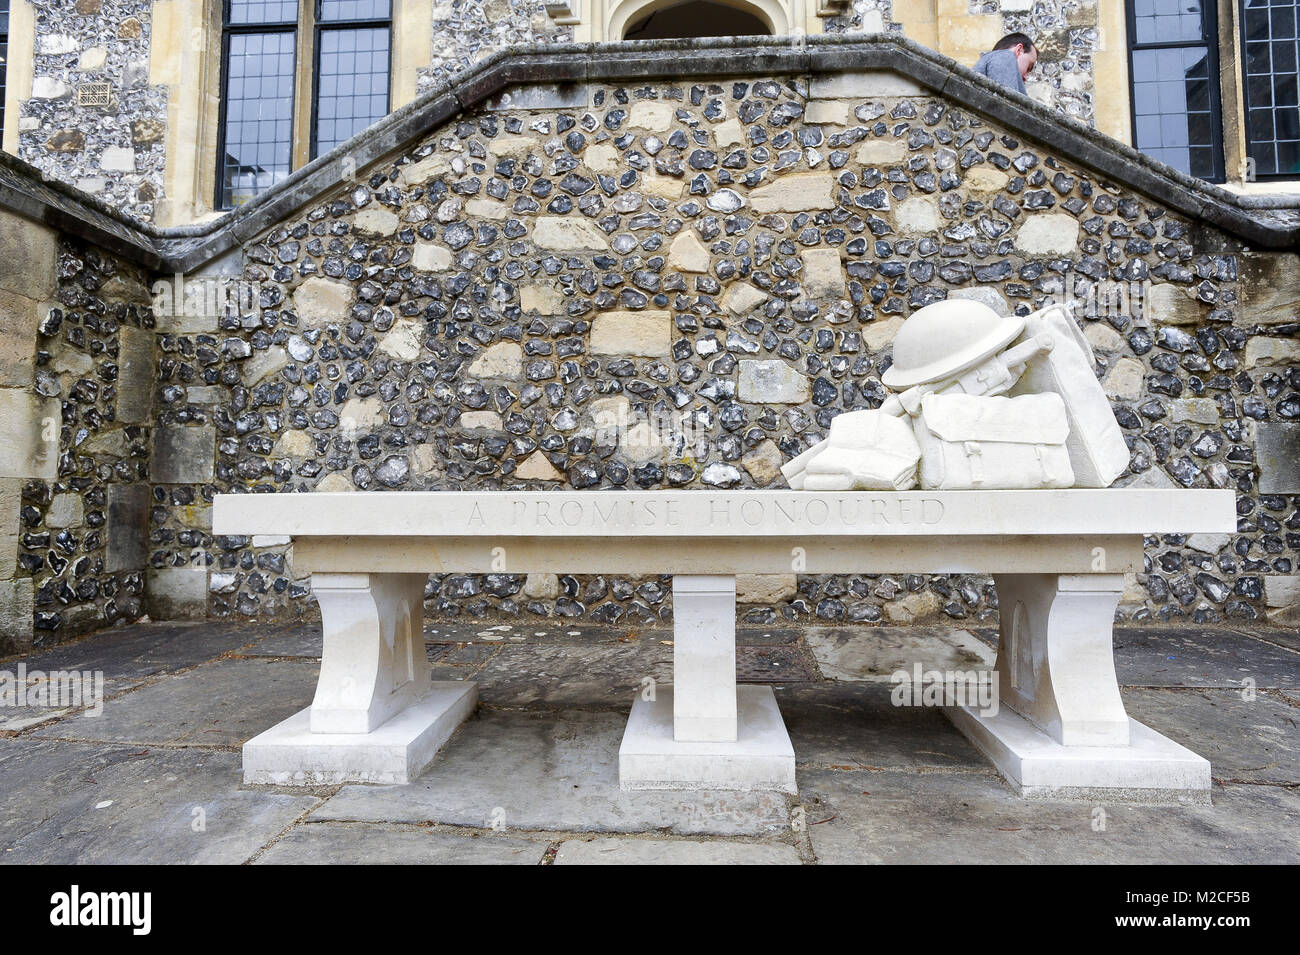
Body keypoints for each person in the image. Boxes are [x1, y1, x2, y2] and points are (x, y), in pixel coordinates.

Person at [972, 33, 1037, 95]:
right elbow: (1005, 102)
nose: (1026, 77)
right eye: (1029, 67)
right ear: (1019, 50)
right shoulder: (1006, 56)